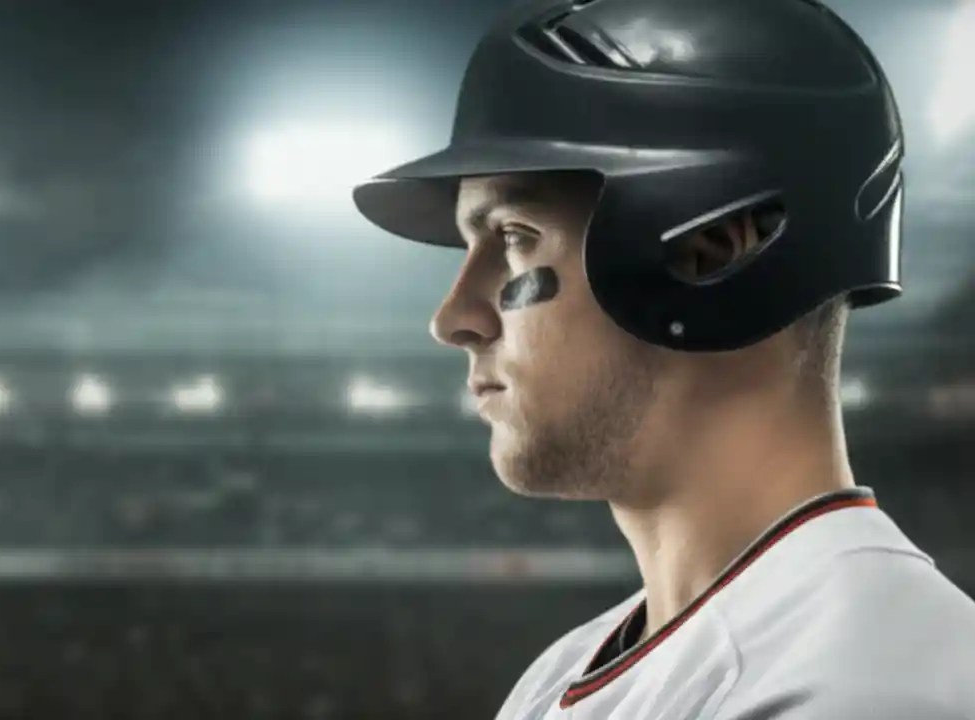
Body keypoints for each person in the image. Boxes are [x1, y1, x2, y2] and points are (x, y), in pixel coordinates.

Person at [351, 0, 975, 717]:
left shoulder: (870, 683)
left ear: (714, 246)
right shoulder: (558, 674)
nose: (453, 318)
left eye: (516, 237)